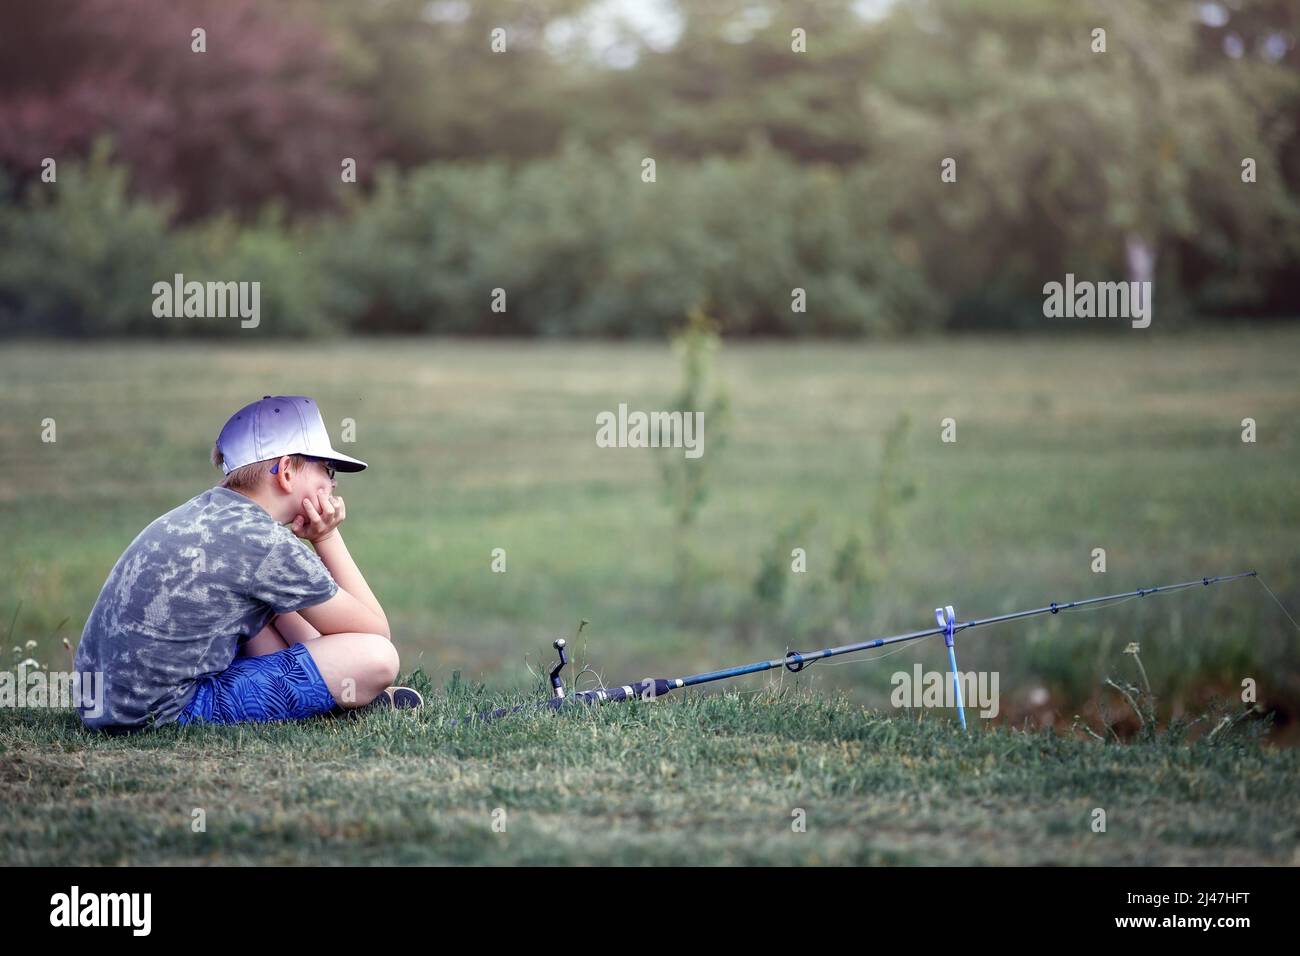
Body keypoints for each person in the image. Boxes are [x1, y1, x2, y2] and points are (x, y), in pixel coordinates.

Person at [73, 395, 421, 734]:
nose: (333, 483)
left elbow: (323, 638)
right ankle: (338, 701)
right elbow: (374, 636)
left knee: (274, 609)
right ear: (285, 471)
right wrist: (326, 538)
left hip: (104, 706)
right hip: (162, 714)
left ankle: (337, 696)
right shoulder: (263, 541)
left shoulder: (203, 514)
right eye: (326, 470)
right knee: (376, 657)